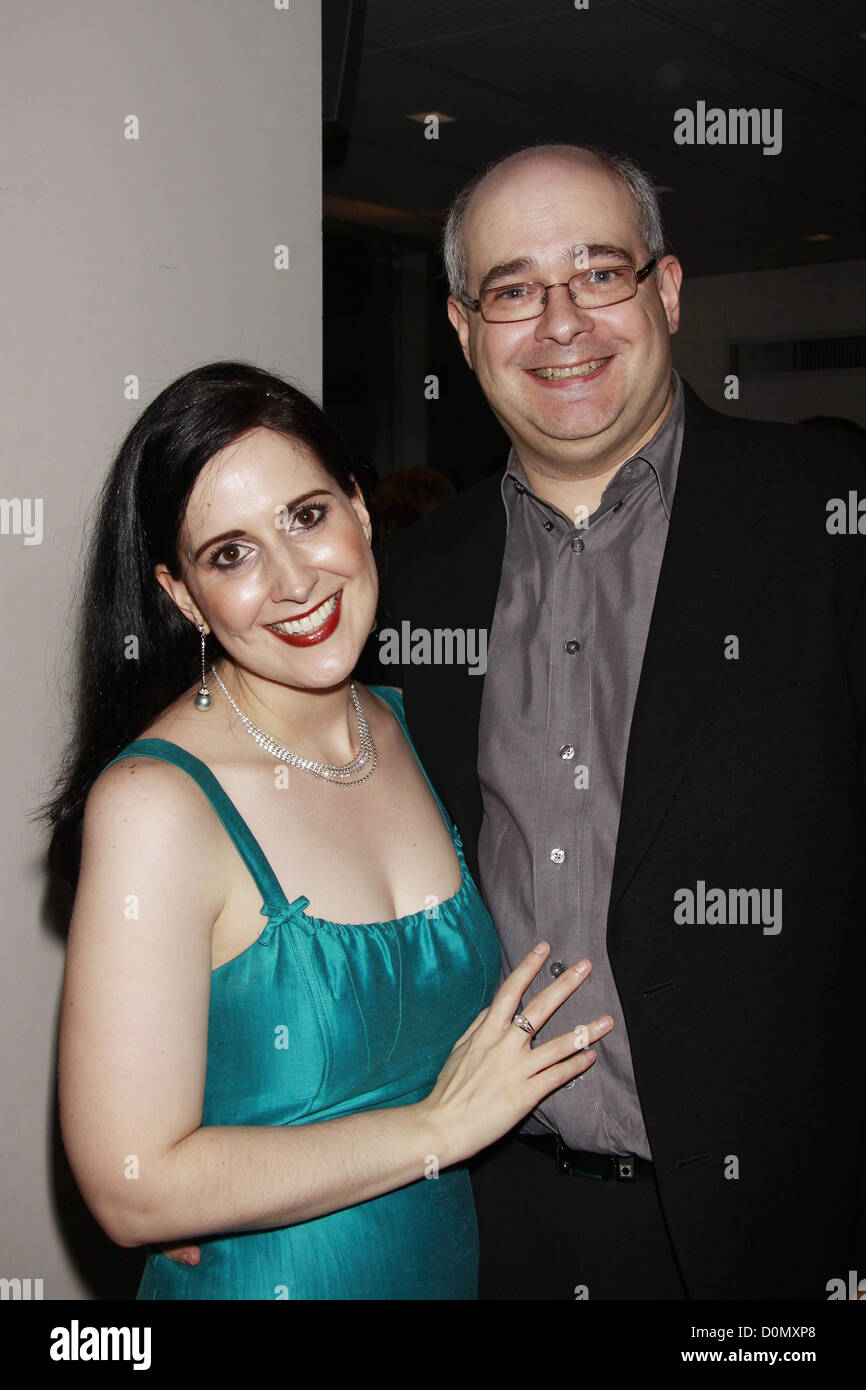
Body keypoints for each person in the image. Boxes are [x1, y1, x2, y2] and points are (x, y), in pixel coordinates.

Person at [360, 144, 866, 1300]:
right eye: (512, 288)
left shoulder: (824, 522)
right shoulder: (406, 588)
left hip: (785, 1232)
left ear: (667, 291)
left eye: (598, 273)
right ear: (460, 324)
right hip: (498, 1227)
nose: (559, 322)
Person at [48, 361, 614, 1300]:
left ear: (359, 507)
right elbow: (132, 1191)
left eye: (306, 515)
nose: (292, 578)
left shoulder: (413, 722)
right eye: (229, 554)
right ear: (182, 596)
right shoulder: (157, 805)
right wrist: (437, 1130)